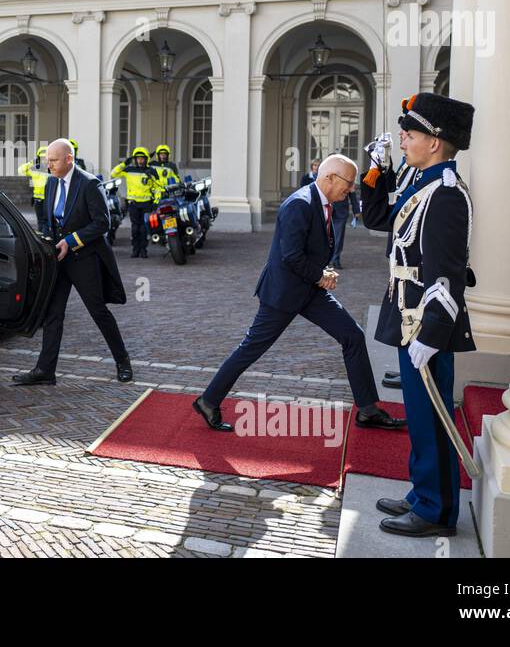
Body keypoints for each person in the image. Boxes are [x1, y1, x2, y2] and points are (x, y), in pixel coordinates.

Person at [192, 154, 406, 433]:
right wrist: (321, 275)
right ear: (330, 177)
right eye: (349, 183)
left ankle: (367, 409)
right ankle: (208, 400)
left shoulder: (321, 201)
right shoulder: (299, 204)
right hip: (284, 293)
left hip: (309, 290)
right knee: (251, 349)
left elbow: (309, 249)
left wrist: (322, 272)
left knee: (352, 336)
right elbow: (291, 256)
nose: (351, 189)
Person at [360, 93, 476, 538]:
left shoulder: (445, 193)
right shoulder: (421, 180)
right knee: (419, 410)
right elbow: (379, 219)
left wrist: (433, 332)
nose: (403, 138)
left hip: (425, 321)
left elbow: (447, 273)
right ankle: (422, 491)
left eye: (411, 133)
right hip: (408, 313)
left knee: (431, 413)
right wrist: (377, 171)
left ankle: (437, 508)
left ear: (435, 141)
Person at [14, 139, 133, 387]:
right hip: (58, 260)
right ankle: (45, 371)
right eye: (48, 160)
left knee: (98, 312)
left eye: (54, 160)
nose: (49, 165)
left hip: (83, 260)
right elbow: (46, 219)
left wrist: (71, 240)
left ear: (69, 159)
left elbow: (102, 223)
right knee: (53, 314)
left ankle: (123, 361)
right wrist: (46, 240)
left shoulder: (90, 183)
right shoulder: (49, 182)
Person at [110, 146, 160, 258]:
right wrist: (124, 163)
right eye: (138, 158)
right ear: (135, 159)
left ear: (146, 159)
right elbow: (113, 173)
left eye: (142, 158)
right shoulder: (129, 170)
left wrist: (156, 201)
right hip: (133, 204)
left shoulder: (151, 171)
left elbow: (158, 188)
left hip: (147, 203)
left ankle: (143, 250)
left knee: (144, 229)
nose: (140, 160)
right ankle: (135, 249)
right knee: (135, 228)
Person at [18, 146, 50, 234]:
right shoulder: (34, 168)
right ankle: (42, 240)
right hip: (38, 200)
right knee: (40, 222)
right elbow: (20, 171)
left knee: (48, 222)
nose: (44, 159)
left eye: (45, 157)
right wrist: (31, 162)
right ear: (38, 158)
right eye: (42, 157)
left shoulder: (51, 169)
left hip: (49, 199)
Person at [329, 186, 361, 270]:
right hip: (326, 207)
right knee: (323, 235)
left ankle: (335, 259)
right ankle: (325, 259)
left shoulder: (347, 174)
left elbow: (352, 191)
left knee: (338, 237)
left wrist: (356, 209)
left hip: (341, 210)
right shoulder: (326, 173)